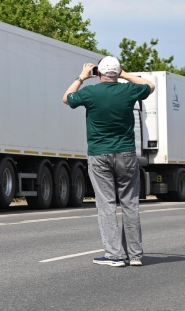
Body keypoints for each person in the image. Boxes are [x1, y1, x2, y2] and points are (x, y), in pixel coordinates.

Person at [62, 56, 155, 267]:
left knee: (107, 205)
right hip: (126, 154)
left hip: (99, 154)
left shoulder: (90, 92)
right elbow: (150, 85)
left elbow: (67, 98)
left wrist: (81, 77)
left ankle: (114, 256)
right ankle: (135, 255)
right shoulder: (129, 90)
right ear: (117, 72)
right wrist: (124, 75)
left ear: (98, 73)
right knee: (130, 204)